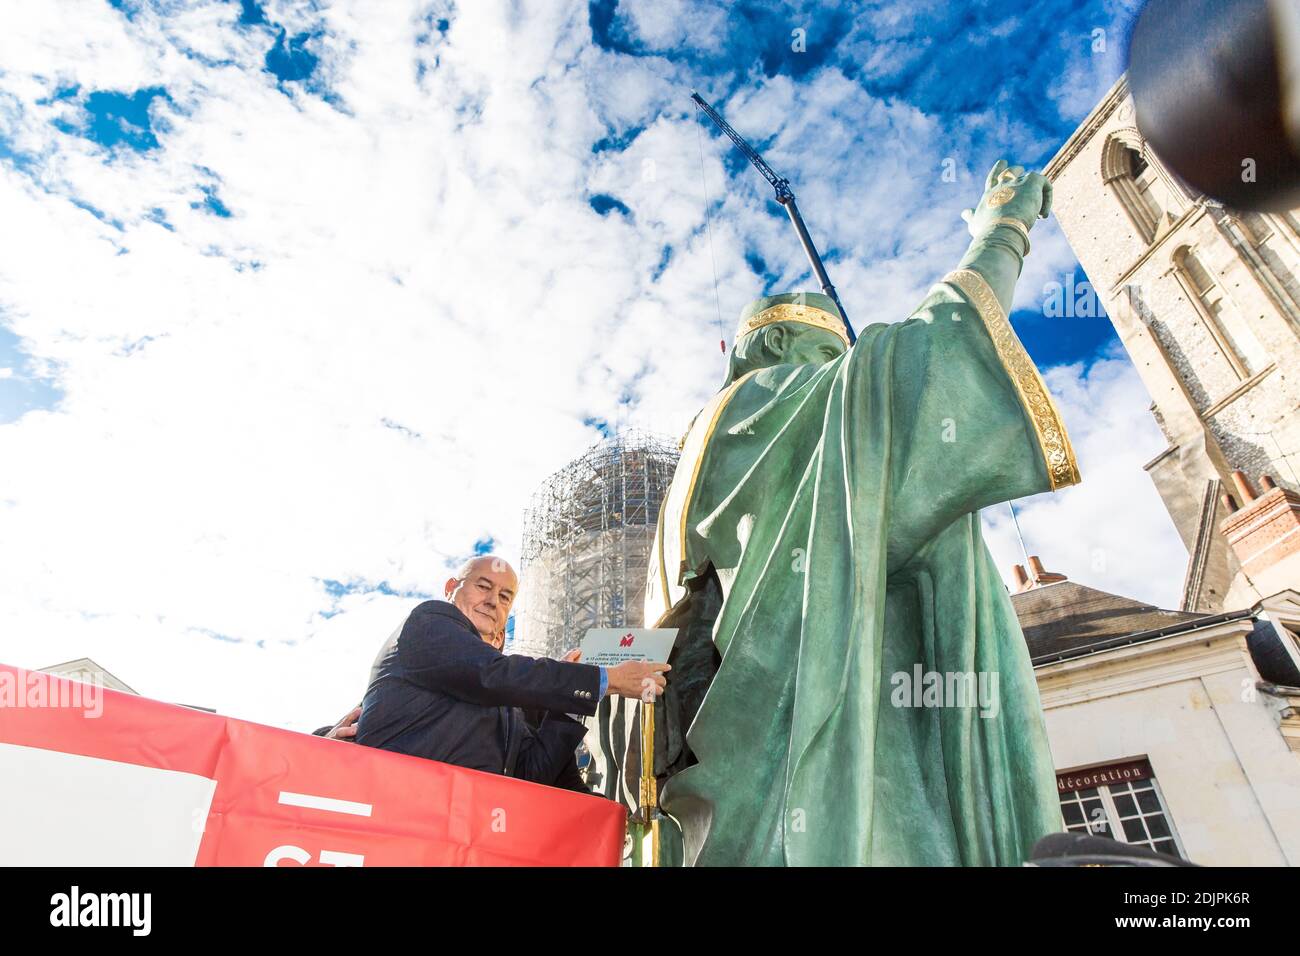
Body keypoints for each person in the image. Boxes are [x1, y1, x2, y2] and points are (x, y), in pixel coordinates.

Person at [636, 161, 1079, 865]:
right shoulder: (761, 405)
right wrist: (1003, 230)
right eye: (826, 352)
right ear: (777, 344)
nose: (835, 369)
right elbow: (905, 383)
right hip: (801, 750)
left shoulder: (698, 466)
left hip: (726, 759)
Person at [355, 554, 668, 785]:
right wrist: (607, 678)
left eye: (505, 597)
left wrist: (565, 709)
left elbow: (531, 775)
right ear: (451, 587)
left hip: (468, 833)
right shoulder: (429, 621)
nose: (493, 601)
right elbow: (490, 674)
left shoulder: (509, 707)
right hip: (397, 806)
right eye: (483, 586)